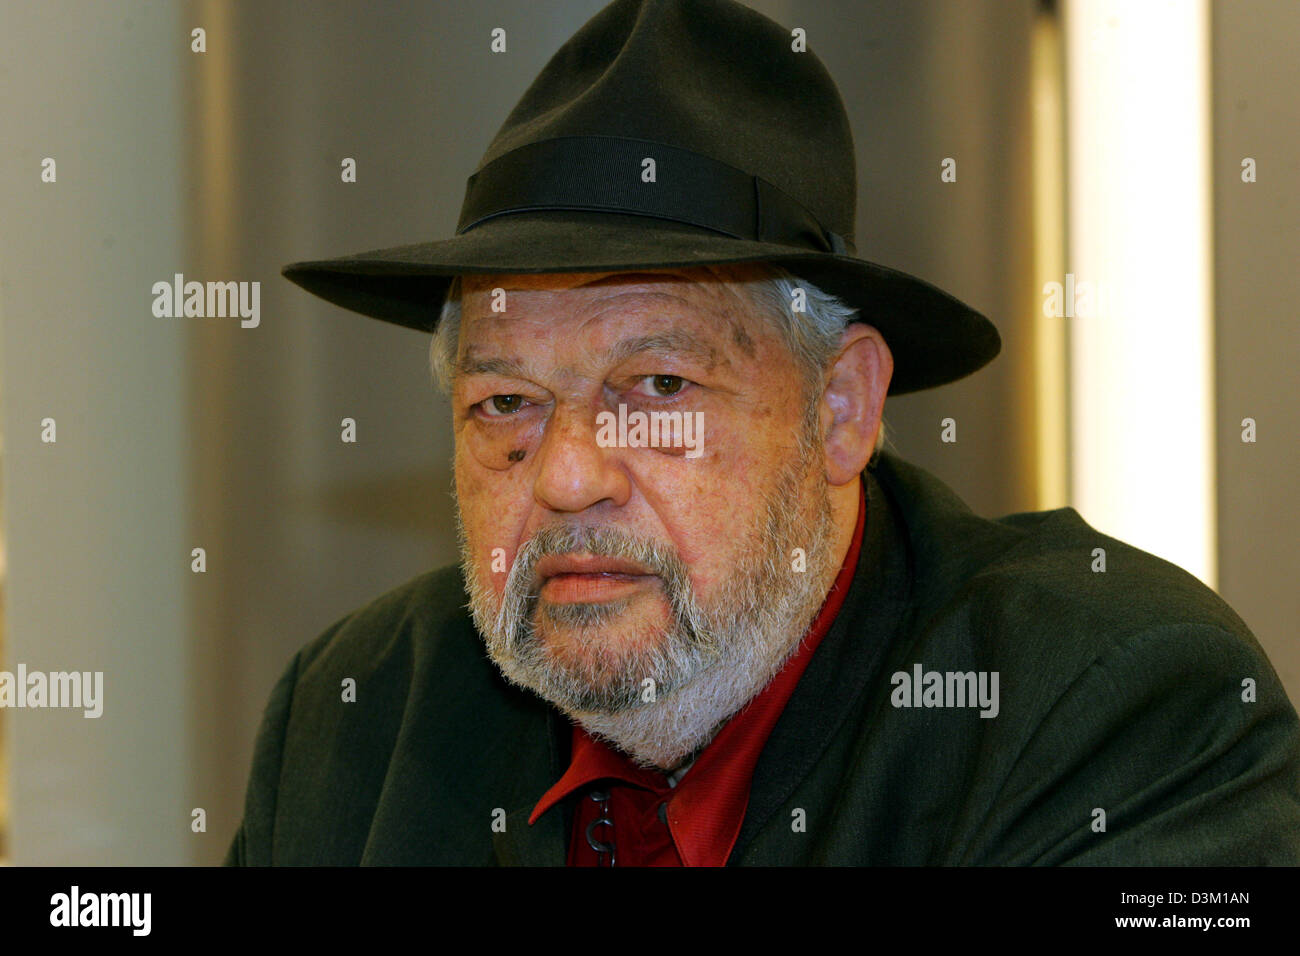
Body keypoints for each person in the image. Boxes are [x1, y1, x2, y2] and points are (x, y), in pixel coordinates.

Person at [224, 0, 1300, 866]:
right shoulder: (354, 720)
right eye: (505, 402)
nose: (564, 475)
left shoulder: (1107, 705)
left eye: (654, 384)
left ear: (840, 407)